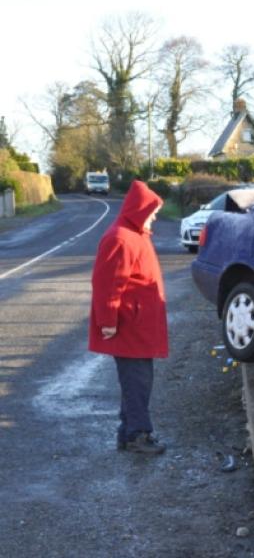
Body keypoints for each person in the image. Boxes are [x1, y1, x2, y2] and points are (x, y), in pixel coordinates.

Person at [89, 180, 168, 455]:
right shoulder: (120, 238)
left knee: (135, 380)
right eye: (153, 210)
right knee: (137, 382)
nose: (155, 216)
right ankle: (138, 435)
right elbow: (106, 284)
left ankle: (127, 433)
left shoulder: (135, 234)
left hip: (137, 325)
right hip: (128, 326)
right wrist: (107, 321)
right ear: (140, 209)